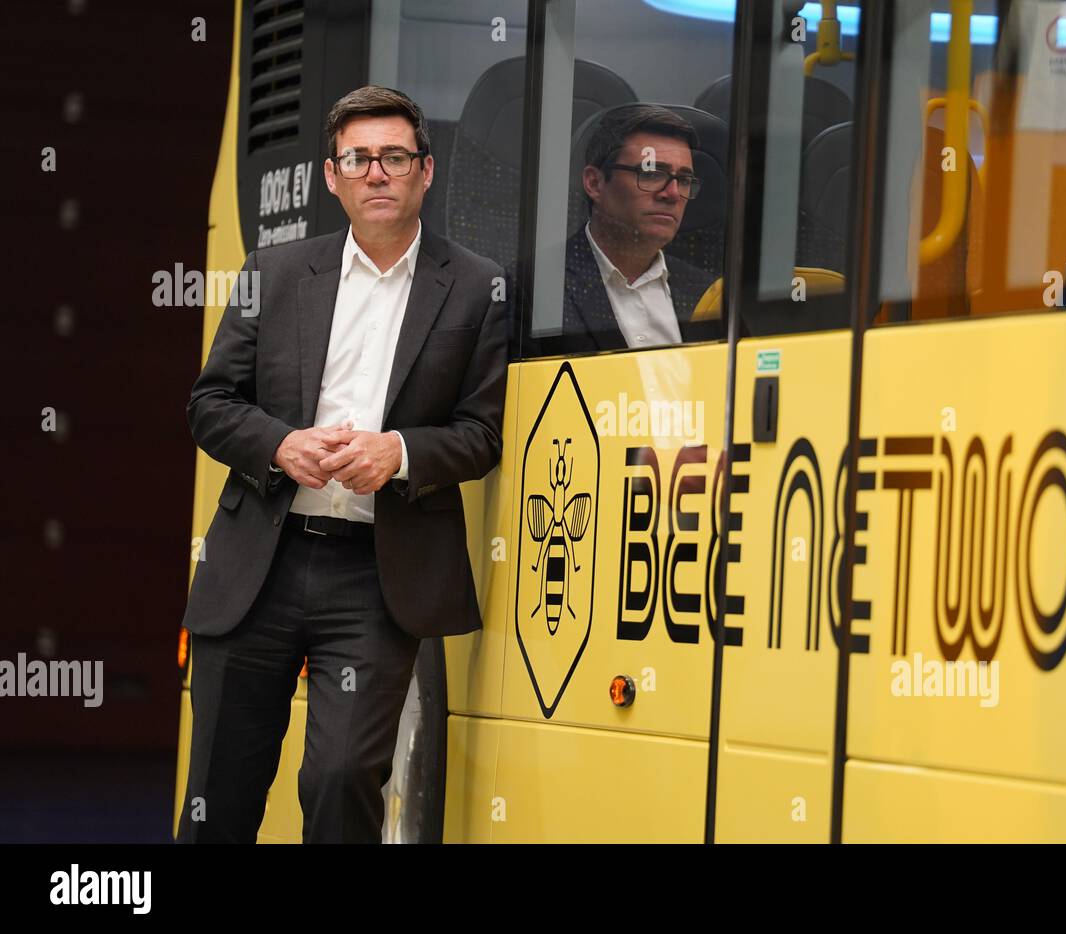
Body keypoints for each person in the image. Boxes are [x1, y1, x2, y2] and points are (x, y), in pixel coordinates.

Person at [177, 86, 507, 844]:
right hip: (259, 563)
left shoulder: (477, 289)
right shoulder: (277, 270)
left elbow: (482, 434)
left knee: (340, 780)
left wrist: (401, 453)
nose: (376, 173)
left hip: (376, 577)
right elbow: (210, 403)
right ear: (333, 177)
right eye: (358, 159)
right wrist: (280, 446)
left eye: (395, 157)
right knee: (218, 794)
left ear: (426, 171)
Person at [562, 103, 720, 352]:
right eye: (651, 173)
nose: (673, 193)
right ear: (594, 183)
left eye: (685, 180)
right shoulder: (537, 287)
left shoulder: (709, 295)